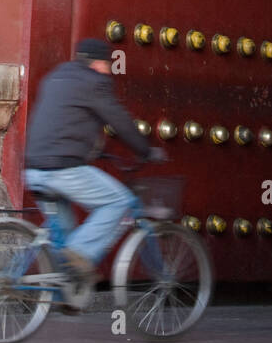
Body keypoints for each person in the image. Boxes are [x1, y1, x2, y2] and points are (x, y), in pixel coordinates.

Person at [23, 38, 165, 286]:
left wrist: (89, 150)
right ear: (99, 63)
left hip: (34, 168)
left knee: (63, 232)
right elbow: (119, 121)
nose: (109, 70)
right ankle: (80, 256)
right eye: (108, 64)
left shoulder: (55, 77)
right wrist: (145, 150)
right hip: (62, 169)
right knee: (119, 201)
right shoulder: (95, 83)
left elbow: (63, 121)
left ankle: (61, 294)